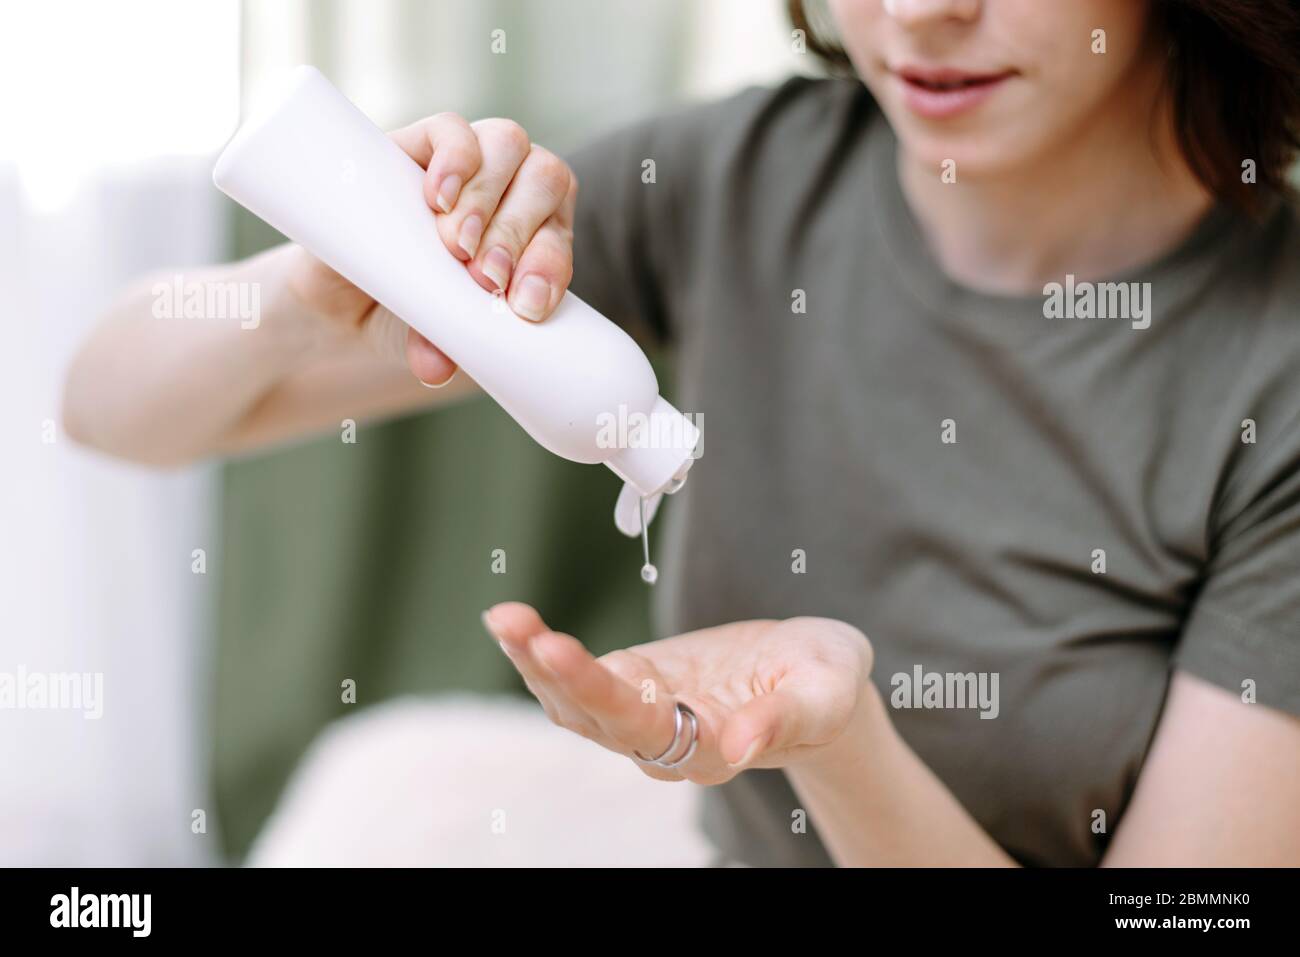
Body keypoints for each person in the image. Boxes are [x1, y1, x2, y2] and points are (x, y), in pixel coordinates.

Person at [64, 0, 1300, 866]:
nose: (918, 11)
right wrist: (305, 292)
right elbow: (112, 411)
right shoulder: (749, 178)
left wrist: (840, 748)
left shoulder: (1273, 371)